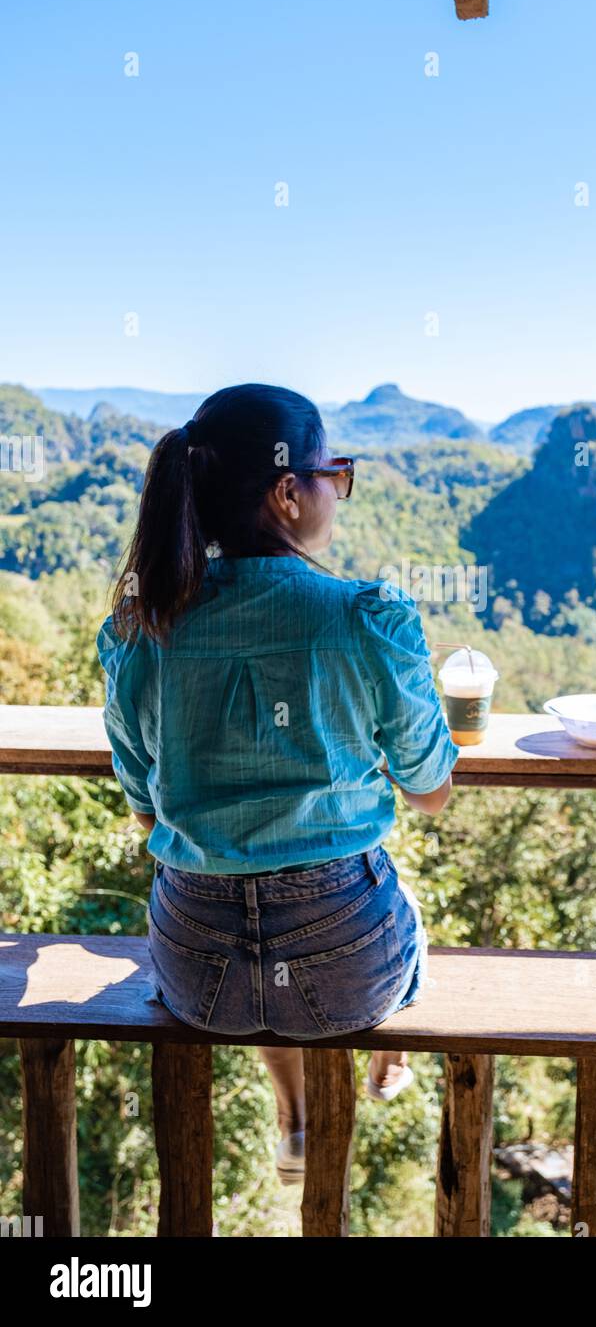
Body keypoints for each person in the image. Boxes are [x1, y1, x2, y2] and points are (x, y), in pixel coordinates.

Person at [96, 382, 458, 1186]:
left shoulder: (142, 630)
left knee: (258, 924)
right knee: (390, 893)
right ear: (288, 492)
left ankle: (292, 1116)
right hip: (346, 967)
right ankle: (383, 1046)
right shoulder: (367, 619)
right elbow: (430, 790)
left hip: (199, 975)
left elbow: (142, 801)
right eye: (337, 473)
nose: (339, 490)